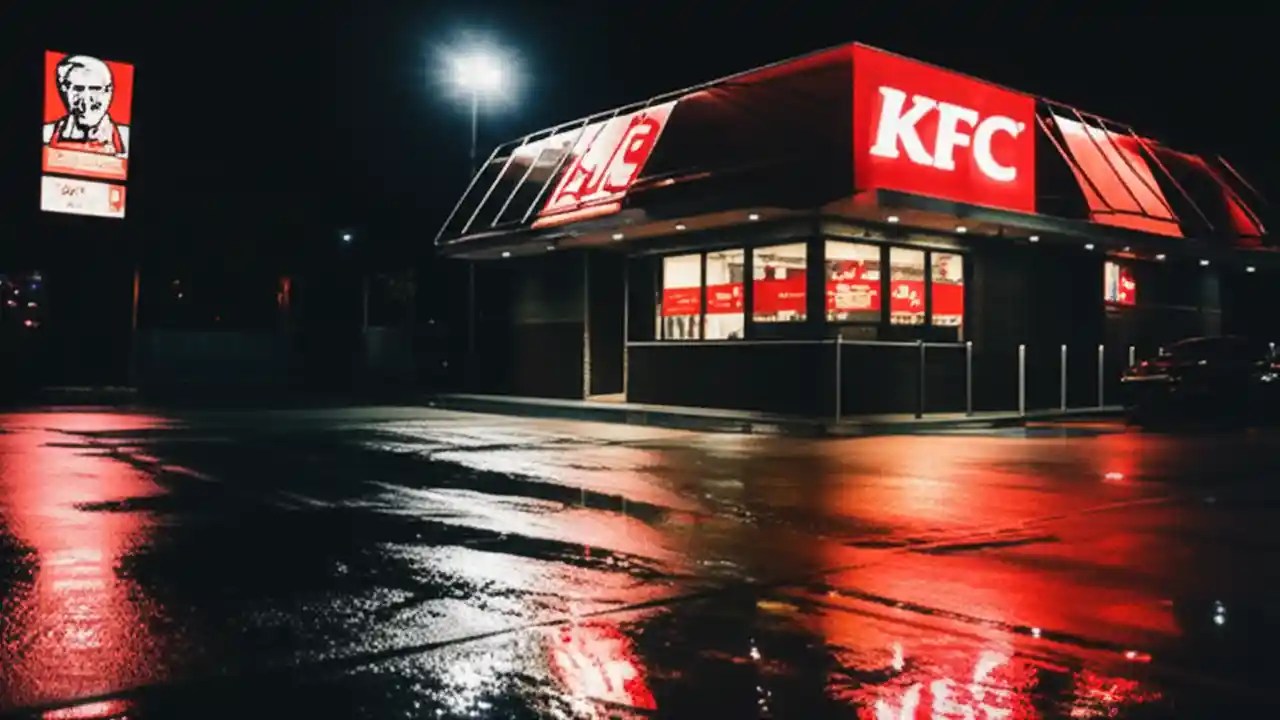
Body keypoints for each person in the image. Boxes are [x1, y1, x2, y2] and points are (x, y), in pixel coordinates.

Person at [41, 54, 129, 157]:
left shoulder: (126, 139)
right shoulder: (46, 135)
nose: (86, 100)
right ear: (65, 91)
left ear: (108, 92)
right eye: (78, 89)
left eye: (95, 89)